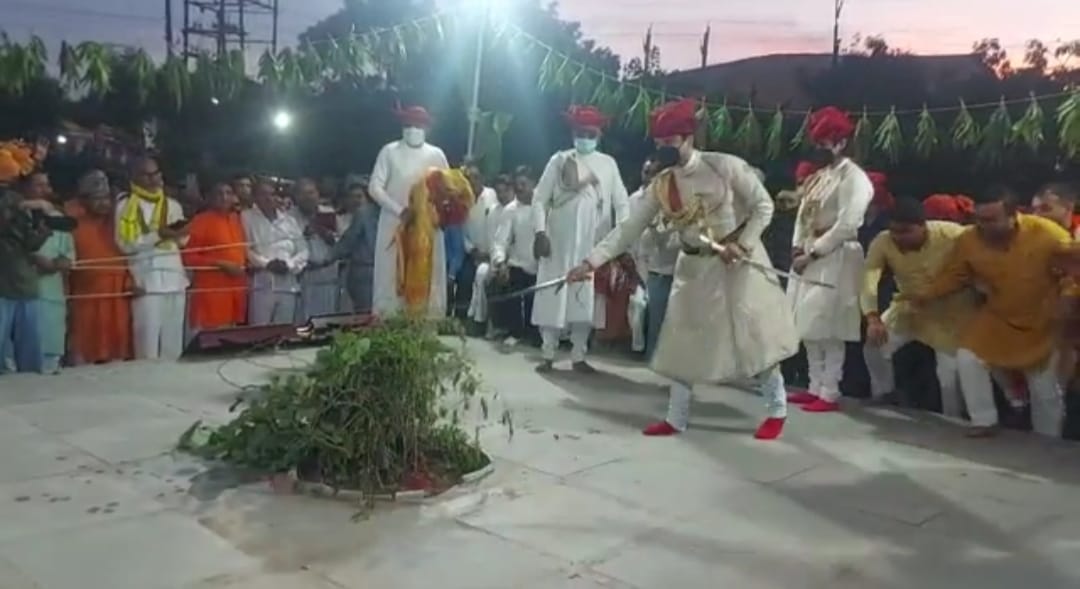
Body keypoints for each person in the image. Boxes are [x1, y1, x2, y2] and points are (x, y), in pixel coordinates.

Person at [566, 98, 798, 439]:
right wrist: (591, 262)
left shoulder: (725, 166)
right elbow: (627, 230)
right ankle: (676, 417)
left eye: (669, 142)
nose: (663, 149)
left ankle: (777, 408)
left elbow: (763, 206)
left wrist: (743, 242)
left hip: (735, 263)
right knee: (680, 343)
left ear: (689, 137)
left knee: (752, 337)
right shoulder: (662, 184)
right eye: (658, 143)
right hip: (691, 269)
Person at [910, 185, 1075, 437]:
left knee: (1043, 388)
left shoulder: (1046, 233)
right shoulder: (968, 239)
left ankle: (1048, 442)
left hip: (1040, 320)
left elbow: (1074, 269)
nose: (983, 226)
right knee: (968, 356)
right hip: (998, 316)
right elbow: (956, 274)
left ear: (1012, 216)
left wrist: (1067, 296)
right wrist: (926, 295)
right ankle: (984, 420)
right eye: (979, 219)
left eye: (990, 220)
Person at [785, 107, 875, 413]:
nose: (821, 148)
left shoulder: (855, 178)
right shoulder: (819, 177)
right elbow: (803, 214)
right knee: (808, 323)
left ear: (841, 142)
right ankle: (813, 386)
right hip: (808, 254)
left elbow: (849, 223)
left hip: (836, 254)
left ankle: (830, 391)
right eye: (818, 142)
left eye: (826, 142)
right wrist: (798, 247)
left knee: (830, 325)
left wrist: (814, 251)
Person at [532, 105, 630, 373]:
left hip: (592, 242)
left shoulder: (608, 164)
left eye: (589, 133)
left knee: (586, 298)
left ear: (598, 135)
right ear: (572, 133)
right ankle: (548, 353)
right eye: (579, 132)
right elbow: (540, 199)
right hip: (558, 240)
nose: (584, 137)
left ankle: (578, 355)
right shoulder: (559, 160)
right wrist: (540, 232)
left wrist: (621, 237)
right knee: (553, 293)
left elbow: (621, 203)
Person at [860, 198, 976, 417]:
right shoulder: (883, 241)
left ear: (923, 225)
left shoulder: (951, 234)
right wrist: (873, 318)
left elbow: (982, 244)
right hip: (908, 307)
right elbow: (869, 277)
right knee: (873, 346)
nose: (898, 237)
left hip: (950, 310)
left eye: (905, 231)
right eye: (894, 231)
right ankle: (886, 395)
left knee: (949, 375)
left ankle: (953, 421)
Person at [369, 105, 449, 317]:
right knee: (390, 274)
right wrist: (400, 210)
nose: (413, 129)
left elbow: (446, 189)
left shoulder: (436, 154)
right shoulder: (389, 151)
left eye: (418, 125)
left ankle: (428, 325)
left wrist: (438, 214)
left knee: (428, 273)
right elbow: (374, 188)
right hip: (394, 224)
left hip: (427, 227)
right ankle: (388, 323)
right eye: (408, 124)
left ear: (426, 128)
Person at [115, 156, 189, 360]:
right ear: (134, 177)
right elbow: (125, 244)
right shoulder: (125, 206)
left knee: (173, 346)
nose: (153, 179)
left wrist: (181, 233)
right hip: (146, 282)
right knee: (146, 346)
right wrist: (158, 235)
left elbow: (183, 243)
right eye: (146, 175)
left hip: (175, 279)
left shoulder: (173, 205)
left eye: (156, 174)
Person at [68, 170, 134, 365]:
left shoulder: (118, 223)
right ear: (83, 201)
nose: (103, 203)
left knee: (117, 355)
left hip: (117, 298)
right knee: (85, 356)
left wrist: (130, 280)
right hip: (85, 299)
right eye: (97, 198)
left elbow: (131, 255)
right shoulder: (73, 224)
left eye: (106, 198)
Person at [24, 172, 75, 374]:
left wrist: (60, 263)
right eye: (38, 185)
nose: (44, 190)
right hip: (21, 292)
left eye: (47, 185)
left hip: (52, 295)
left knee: (51, 357)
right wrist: (35, 261)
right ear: (25, 189)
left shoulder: (59, 220)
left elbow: (69, 256)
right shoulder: (12, 216)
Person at [629, 157, 678, 360]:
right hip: (638, 263)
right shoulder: (634, 200)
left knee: (663, 317)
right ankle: (645, 353)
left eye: (654, 173)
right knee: (642, 309)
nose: (649, 177)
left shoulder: (672, 201)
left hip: (665, 266)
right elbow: (628, 233)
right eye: (646, 172)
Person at [182, 181, 247, 331]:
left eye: (228, 193)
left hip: (235, 292)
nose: (224, 197)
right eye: (219, 193)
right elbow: (189, 258)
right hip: (212, 295)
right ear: (210, 198)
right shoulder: (201, 220)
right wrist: (221, 264)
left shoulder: (236, 220)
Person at [242, 179, 308, 325]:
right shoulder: (246, 217)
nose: (268, 198)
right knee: (259, 331)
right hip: (262, 283)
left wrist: (289, 265)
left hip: (288, 284)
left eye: (271, 194)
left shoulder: (289, 220)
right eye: (262, 194)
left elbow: (303, 250)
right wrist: (267, 264)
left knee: (283, 331)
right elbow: (246, 249)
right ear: (254, 197)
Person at [490, 166, 540, 344]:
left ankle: (538, 335)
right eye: (516, 184)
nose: (519, 188)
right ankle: (514, 332)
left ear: (534, 184)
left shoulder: (546, 205)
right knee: (509, 280)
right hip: (518, 265)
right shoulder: (511, 209)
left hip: (543, 267)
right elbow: (500, 241)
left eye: (523, 184)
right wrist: (500, 262)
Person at [468, 174, 516, 335]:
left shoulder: (517, 209)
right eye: (499, 192)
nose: (502, 195)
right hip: (494, 259)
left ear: (512, 190)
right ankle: (478, 320)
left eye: (505, 191)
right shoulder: (493, 212)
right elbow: (493, 241)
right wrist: (494, 260)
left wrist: (504, 262)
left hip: (514, 261)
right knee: (481, 274)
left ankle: (503, 326)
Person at [325, 180, 379, 313]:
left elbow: (348, 241)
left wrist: (326, 258)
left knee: (365, 316)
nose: (356, 200)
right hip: (384, 273)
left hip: (364, 272)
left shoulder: (364, 213)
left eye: (359, 196)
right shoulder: (392, 212)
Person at [291, 178, 340, 321]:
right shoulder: (288, 217)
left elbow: (340, 244)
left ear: (318, 194)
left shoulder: (329, 214)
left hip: (327, 277)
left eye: (311, 193)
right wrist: (303, 234)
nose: (308, 197)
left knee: (326, 322)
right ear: (295, 197)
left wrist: (325, 233)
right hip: (303, 279)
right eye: (302, 194)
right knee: (302, 324)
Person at [456, 161, 499, 320]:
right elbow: (460, 231)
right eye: (468, 178)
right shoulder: (461, 201)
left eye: (475, 177)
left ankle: (486, 322)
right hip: (472, 253)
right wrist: (473, 251)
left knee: (487, 282)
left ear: (482, 178)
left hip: (492, 253)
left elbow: (499, 224)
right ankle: (461, 321)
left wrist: (491, 253)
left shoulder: (492, 195)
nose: (472, 181)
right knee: (464, 279)